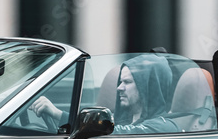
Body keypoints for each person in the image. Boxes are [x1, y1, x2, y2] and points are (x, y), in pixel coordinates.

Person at [29, 53, 180, 133]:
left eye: (127, 82)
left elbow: (112, 135)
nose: (119, 88)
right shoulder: (121, 118)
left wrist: (56, 113)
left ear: (148, 87)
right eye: (120, 82)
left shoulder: (162, 127)